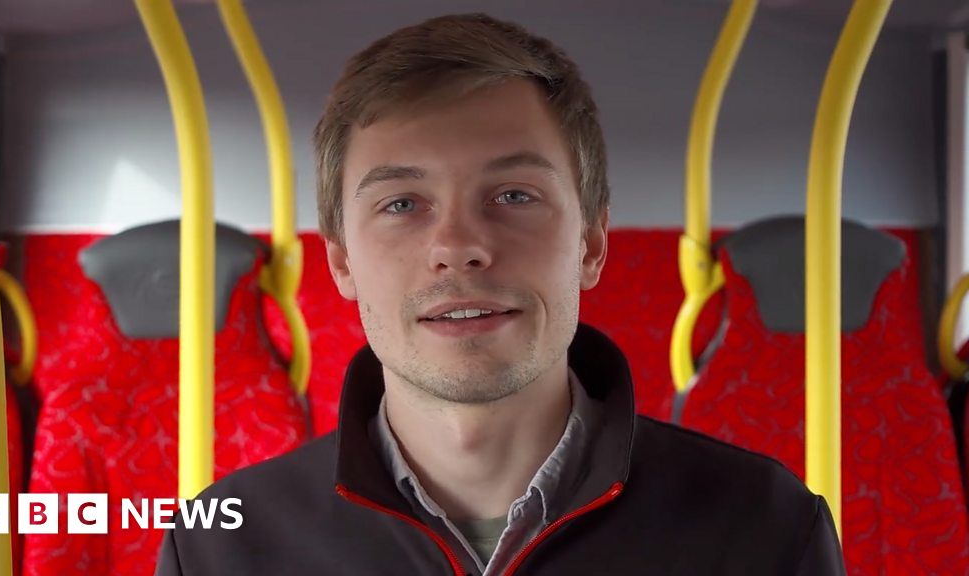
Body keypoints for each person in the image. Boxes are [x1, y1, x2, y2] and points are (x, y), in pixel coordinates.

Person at [155, 13, 845, 575]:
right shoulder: (220, 550)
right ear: (340, 263)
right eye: (401, 204)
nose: (457, 246)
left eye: (514, 195)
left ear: (592, 244)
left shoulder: (766, 530)